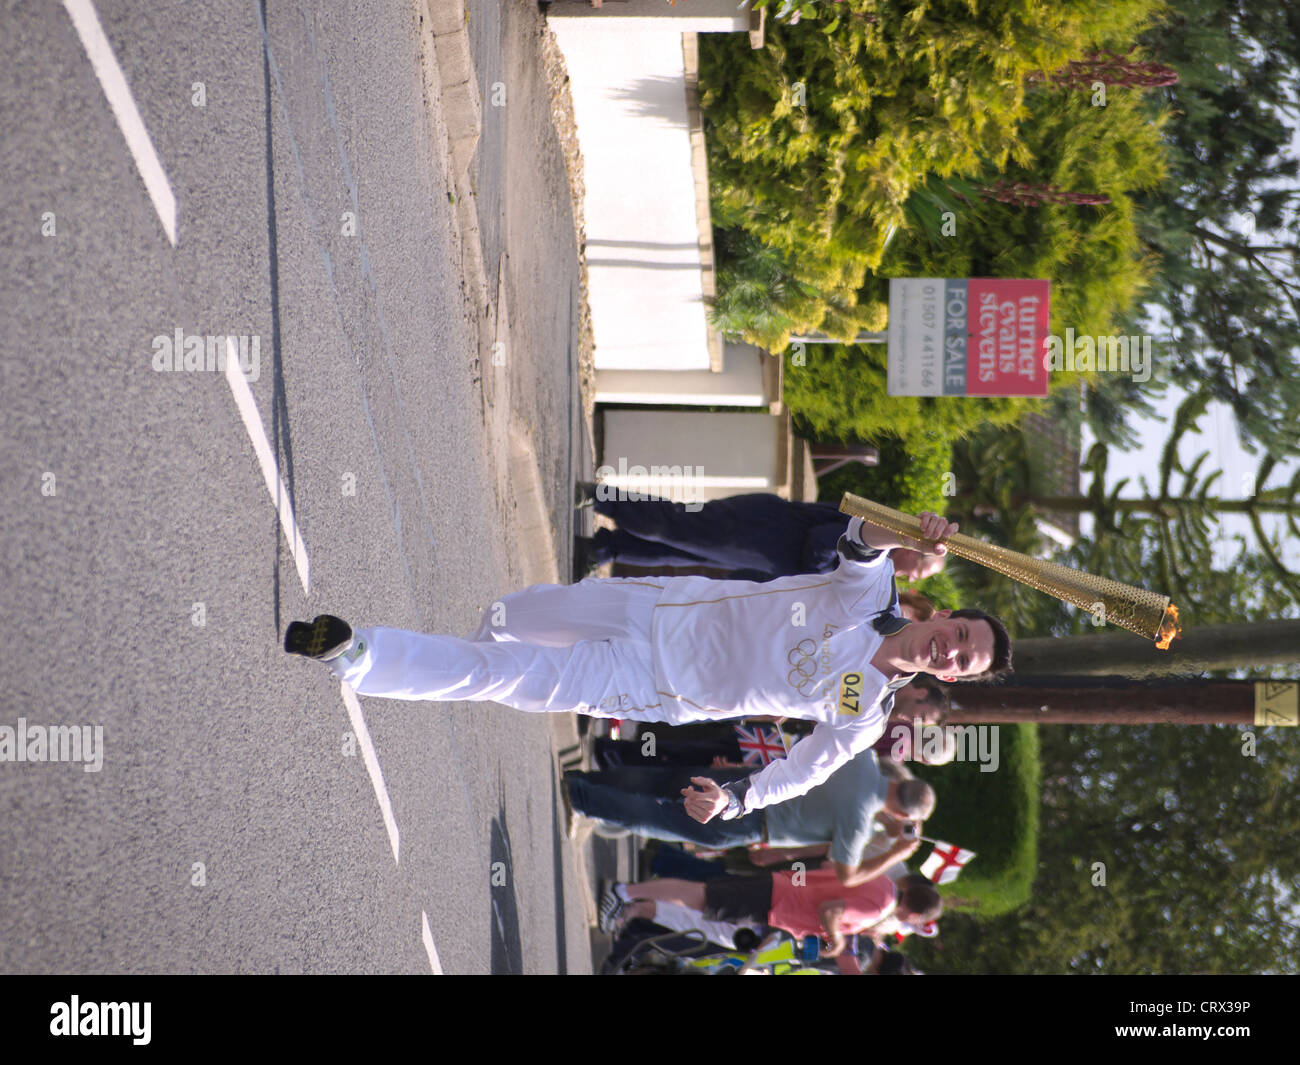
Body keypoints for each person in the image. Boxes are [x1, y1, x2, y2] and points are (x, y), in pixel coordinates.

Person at [284, 510, 1011, 818]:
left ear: (950, 678)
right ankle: (425, 656)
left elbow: (805, 769)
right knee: (507, 619)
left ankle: (359, 652)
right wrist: (909, 534)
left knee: (505, 677)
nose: (953, 652)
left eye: (964, 664)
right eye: (961, 636)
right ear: (945, 615)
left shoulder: (865, 710)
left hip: (658, 684)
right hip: (654, 609)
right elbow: (856, 538)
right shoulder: (872, 595)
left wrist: (736, 799)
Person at [564, 749, 931, 885]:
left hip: (752, 778)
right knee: (663, 819)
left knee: (662, 782)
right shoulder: (860, 820)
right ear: (903, 812)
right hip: (753, 820)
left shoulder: (862, 755)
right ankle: (583, 798)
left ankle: (582, 782)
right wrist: (897, 853)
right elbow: (846, 876)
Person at [575, 488, 946, 583]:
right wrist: (819, 577)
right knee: (673, 524)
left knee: (678, 550)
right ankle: (601, 497)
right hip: (759, 528)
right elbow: (821, 542)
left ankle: (604, 548)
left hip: (758, 551)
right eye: (919, 570)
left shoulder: (877, 562)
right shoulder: (879, 536)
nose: (911, 577)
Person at [599, 869, 942, 958]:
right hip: (779, 903)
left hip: (782, 892)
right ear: (914, 915)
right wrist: (836, 940)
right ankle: (624, 893)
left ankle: (630, 902)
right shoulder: (880, 906)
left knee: (700, 901)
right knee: (699, 897)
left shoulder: (881, 880)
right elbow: (831, 910)